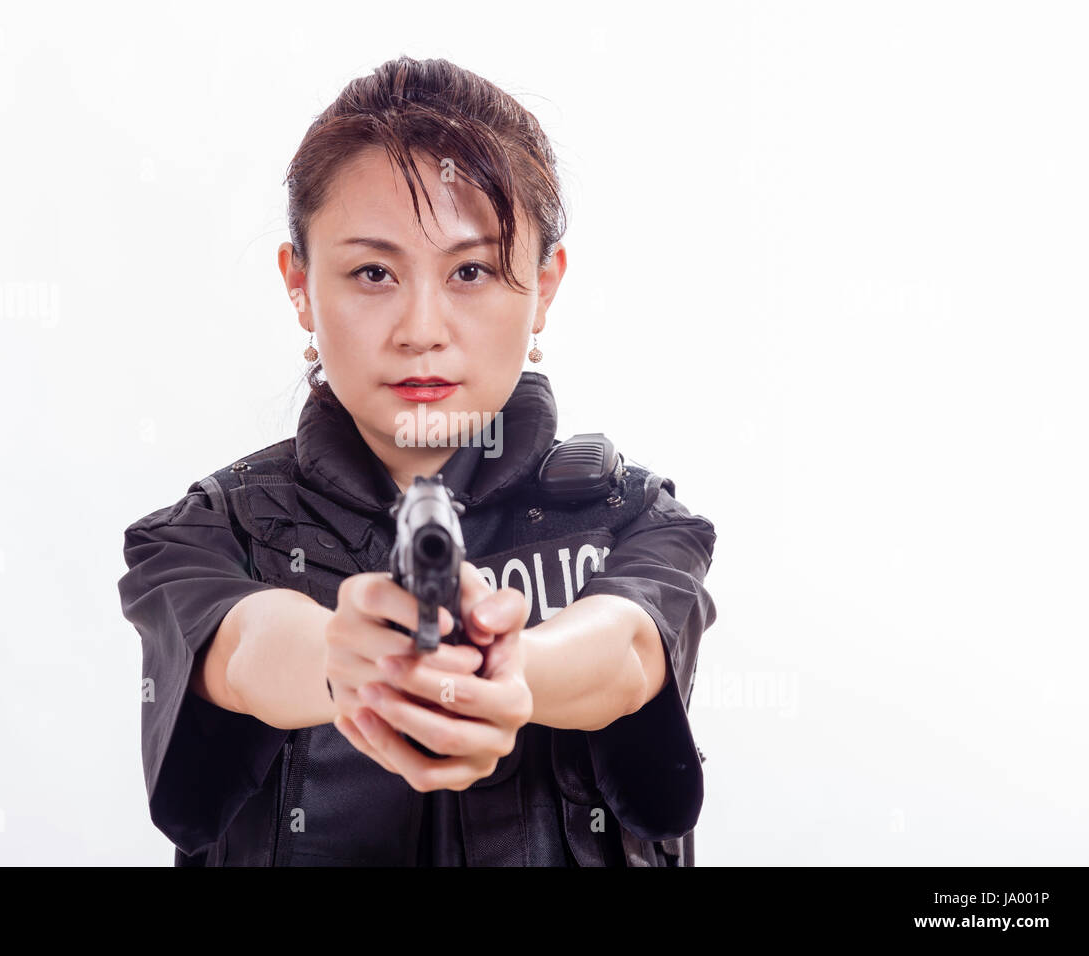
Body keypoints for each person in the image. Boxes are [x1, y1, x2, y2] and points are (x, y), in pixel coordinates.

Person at [117, 55, 718, 866]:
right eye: (373, 273)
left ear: (544, 287)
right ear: (299, 285)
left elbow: (628, 653)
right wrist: (347, 663)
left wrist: (514, 668)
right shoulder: (203, 533)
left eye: (470, 271)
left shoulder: (639, 519)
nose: (421, 328)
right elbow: (244, 648)